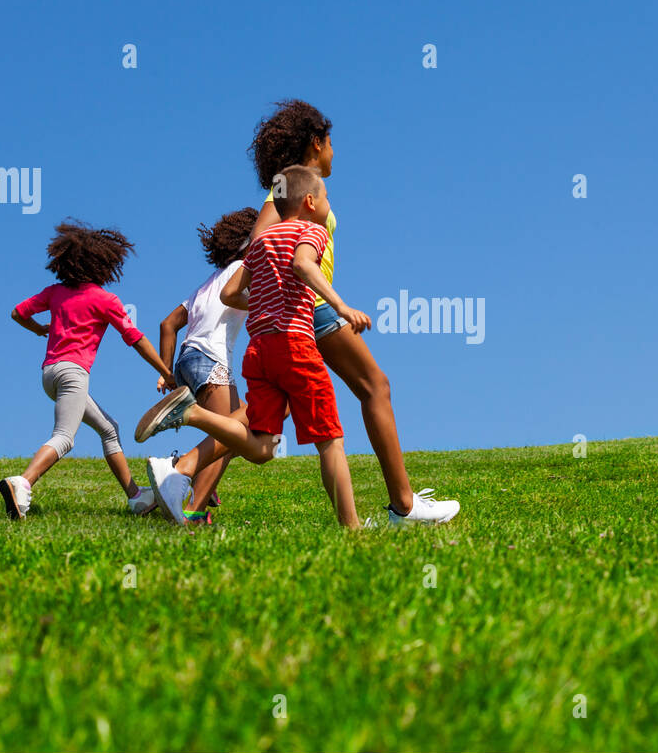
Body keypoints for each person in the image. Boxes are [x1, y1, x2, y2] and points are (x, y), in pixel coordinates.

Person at [151, 100, 460, 526]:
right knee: (374, 387)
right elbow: (259, 244)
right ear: (316, 143)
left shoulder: (295, 189)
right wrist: (323, 298)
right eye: (331, 142)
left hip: (292, 318)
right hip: (309, 309)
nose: (335, 151)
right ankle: (403, 506)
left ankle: (181, 475)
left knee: (260, 425)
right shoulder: (287, 195)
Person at [136, 167, 364, 528]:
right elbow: (304, 264)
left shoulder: (259, 245)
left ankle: (191, 414)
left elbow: (230, 294)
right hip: (295, 345)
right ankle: (353, 531)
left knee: (262, 447)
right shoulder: (312, 230)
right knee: (330, 441)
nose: (329, 205)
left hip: (259, 352)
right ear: (309, 202)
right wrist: (341, 306)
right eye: (326, 198)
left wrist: (260, 304)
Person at [0, 220, 175, 520]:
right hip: (73, 374)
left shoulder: (55, 292)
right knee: (65, 437)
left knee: (109, 428)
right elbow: (137, 339)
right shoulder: (105, 300)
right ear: (103, 265)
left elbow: (18, 312)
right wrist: (165, 371)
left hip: (50, 374)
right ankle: (23, 483)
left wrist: (39, 329)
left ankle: (136, 497)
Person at [152, 207, 258, 524]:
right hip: (211, 358)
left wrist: (166, 371)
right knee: (232, 433)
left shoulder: (207, 283)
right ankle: (191, 506)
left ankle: (196, 481)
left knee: (237, 433)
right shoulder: (244, 270)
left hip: (188, 358)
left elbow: (167, 323)